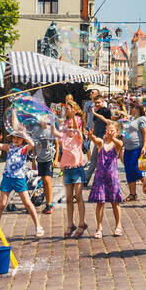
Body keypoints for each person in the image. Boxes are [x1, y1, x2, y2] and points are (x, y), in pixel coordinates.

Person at [0, 126, 44, 237]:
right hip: (7, 178)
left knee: (28, 203)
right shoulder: (9, 147)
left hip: (19, 179)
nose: (15, 140)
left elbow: (32, 145)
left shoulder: (24, 149)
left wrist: (24, 134)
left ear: (22, 139)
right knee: (2, 204)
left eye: (18, 138)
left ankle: (38, 226)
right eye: (14, 138)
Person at [88, 120, 125, 238]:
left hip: (112, 178)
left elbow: (120, 144)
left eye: (112, 130)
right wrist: (91, 136)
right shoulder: (101, 143)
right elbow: (96, 140)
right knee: (100, 203)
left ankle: (118, 225)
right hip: (100, 177)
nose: (109, 132)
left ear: (117, 132)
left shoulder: (117, 144)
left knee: (115, 203)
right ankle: (99, 227)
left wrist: (112, 137)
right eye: (107, 130)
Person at [59, 99, 89, 238]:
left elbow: (78, 130)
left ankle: (82, 222)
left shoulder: (77, 126)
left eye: (70, 108)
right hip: (67, 165)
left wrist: (73, 117)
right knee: (69, 197)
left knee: (78, 194)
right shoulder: (64, 127)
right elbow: (57, 133)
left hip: (77, 165)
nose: (69, 128)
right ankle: (70, 224)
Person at [120, 102, 146, 202]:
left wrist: (144, 147)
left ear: (139, 109)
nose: (131, 109)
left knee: (137, 170)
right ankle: (132, 194)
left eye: (134, 107)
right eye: (131, 107)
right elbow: (125, 134)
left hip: (138, 148)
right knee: (129, 171)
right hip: (128, 148)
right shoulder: (130, 119)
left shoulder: (142, 119)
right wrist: (121, 145)